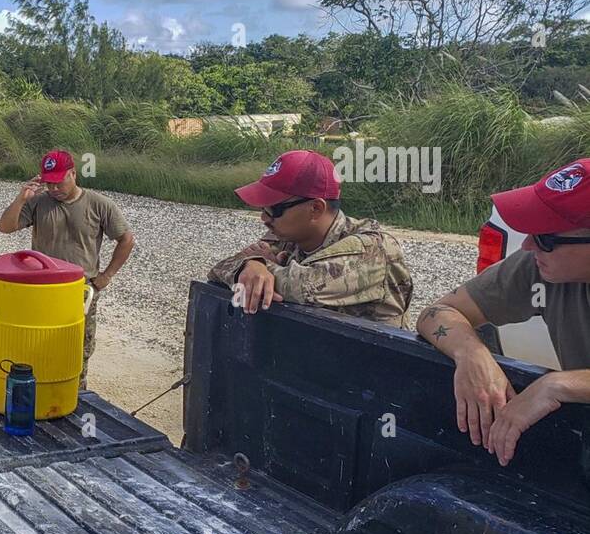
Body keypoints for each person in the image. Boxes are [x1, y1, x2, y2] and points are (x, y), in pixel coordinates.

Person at [417, 159, 590, 466]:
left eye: (546, 238)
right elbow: (437, 311)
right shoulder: (538, 268)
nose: (526, 245)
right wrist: (471, 353)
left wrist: (558, 384)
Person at [208, 149, 413, 327]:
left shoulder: (372, 249)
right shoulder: (289, 234)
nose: (264, 218)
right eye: (263, 208)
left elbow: (302, 287)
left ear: (315, 208)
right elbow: (219, 269)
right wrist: (251, 264)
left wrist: (259, 267)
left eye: (274, 209)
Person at [0, 149, 136, 389]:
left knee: (78, 350)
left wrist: (106, 276)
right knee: (38, 346)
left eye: (59, 182)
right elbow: (5, 227)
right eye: (48, 183)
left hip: (80, 290)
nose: (54, 189)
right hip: (43, 290)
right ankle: (41, 395)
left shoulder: (99, 204)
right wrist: (21, 199)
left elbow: (127, 239)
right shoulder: (38, 203)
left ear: (73, 173)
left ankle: (74, 398)